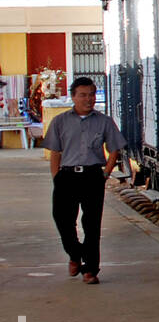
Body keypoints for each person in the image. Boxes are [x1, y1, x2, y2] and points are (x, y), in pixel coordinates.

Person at [44, 77, 126, 285]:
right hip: (67, 176)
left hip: (92, 176)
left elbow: (114, 149)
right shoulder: (60, 121)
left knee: (91, 225)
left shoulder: (104, 121)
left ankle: (90, 270)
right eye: (83, 95)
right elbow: (55, 152)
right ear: (73, 97)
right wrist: (57, 178)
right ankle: (74, 254)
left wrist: (105, 173)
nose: (88, 99)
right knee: (62, 220)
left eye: (91, 95)